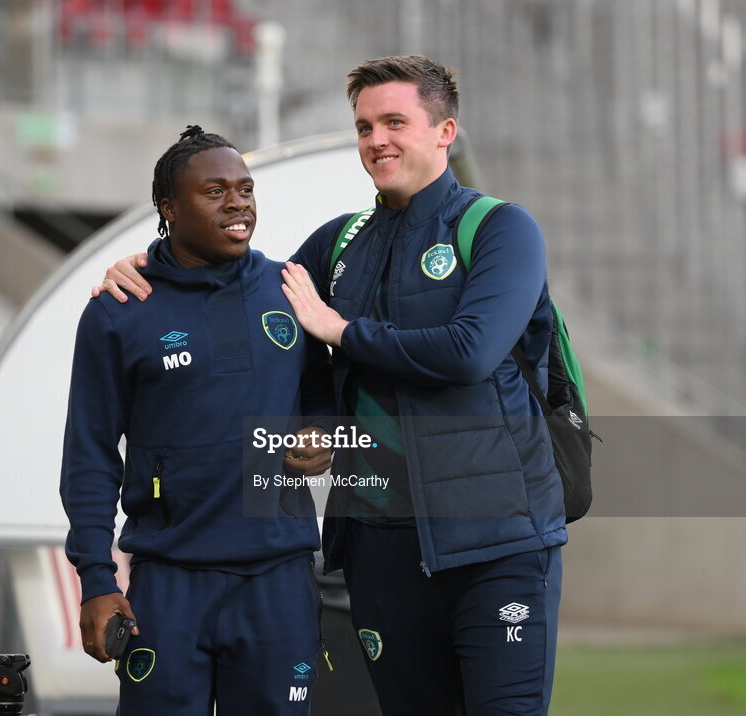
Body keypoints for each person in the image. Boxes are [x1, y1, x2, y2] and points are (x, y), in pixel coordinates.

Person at [97, 56, 567, 716]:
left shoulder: (500, 229)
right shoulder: (340, 243)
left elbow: (470, 352)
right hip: (380, 547)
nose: (377, 140)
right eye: (365, 126)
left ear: (445, 131)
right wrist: (149, 264)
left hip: (497, 541)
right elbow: (238, 290)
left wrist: (339, 330)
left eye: (395, 122)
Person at [61, 126, 334, 716]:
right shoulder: (118, 310)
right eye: (215, 191)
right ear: (169, 207)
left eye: (245, 189)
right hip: (169, 581)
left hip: (278, 577)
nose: (238, 204)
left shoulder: (289, 290)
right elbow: (89, 455)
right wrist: (97, 580)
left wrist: (320, 433)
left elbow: (319, 394)